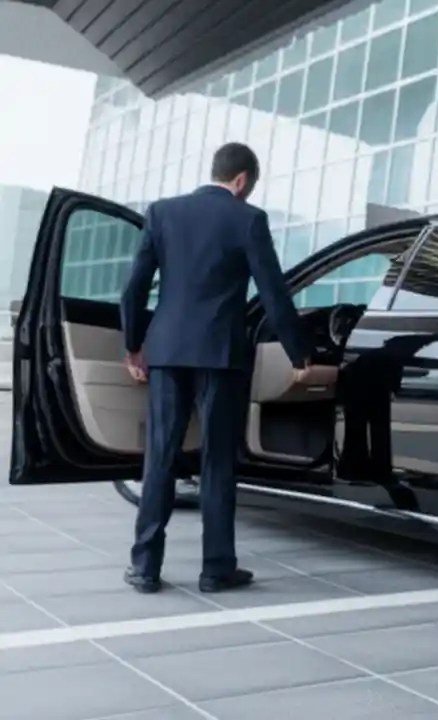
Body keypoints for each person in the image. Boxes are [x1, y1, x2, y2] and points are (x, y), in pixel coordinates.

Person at [119, 142, 315, 594]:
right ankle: (216, 568)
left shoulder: (162, 212)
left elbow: (135, 287)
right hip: (221, 356)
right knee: (218, 463)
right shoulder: (248, 219)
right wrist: (298, 353)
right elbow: (273, 292)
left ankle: (145, 567)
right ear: (242, 180)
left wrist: (133, 344)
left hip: (167, 352)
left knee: (160, 458)